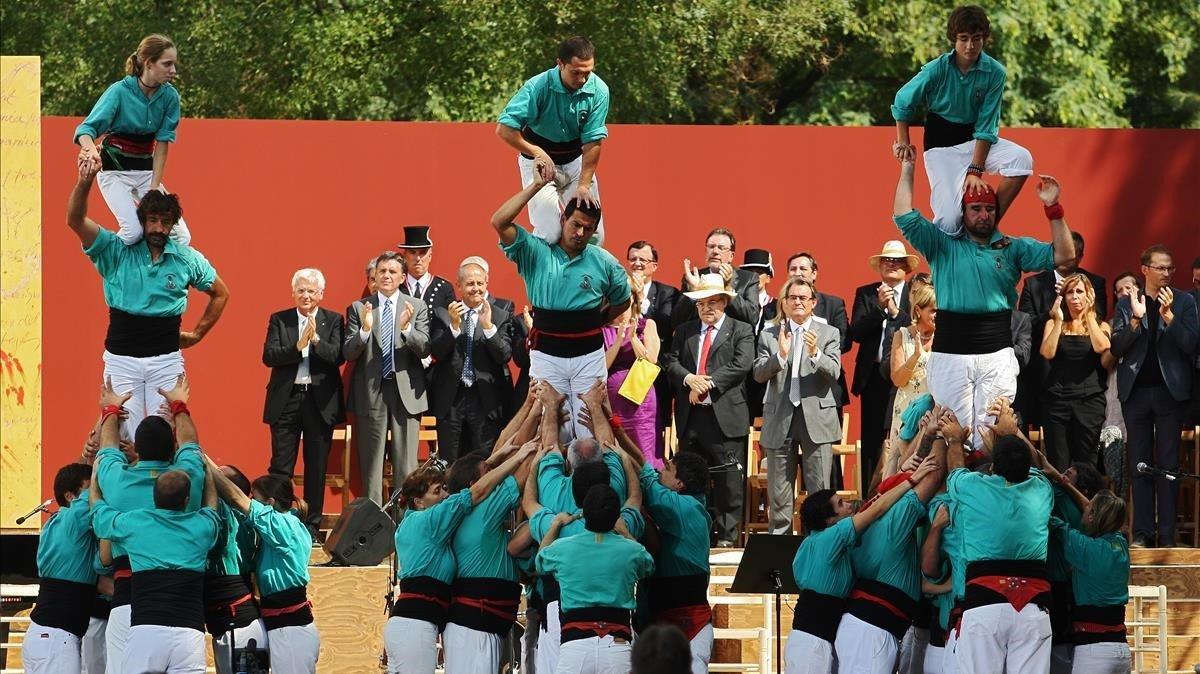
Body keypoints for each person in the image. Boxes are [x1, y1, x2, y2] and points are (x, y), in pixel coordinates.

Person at [893, 148, 1073, 451]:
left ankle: (991, 493)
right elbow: (902, 214)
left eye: (989, 209)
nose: (983, 215)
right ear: (963, 212)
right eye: (975, 208)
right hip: (950, 353)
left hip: (996, 353)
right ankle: (956, 492)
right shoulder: (942, 244)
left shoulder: (1012, 247)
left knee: (994, 433)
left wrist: (1053, 208)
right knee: (953, 433)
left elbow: (1066, 255)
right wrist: (908, 167)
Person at [68, 160, 229, 440]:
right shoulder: (116, 250)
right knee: (120, 434)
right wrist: (85, 180)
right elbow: (75, 220)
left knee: (165, 436)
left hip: (166, 359)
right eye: (152, 220)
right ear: (141, 220)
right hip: (121, 359)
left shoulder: (186, 258)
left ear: (172, 225)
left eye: (165, 222)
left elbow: (220, 292)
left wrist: (199, 333)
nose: (158, 228)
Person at [490, 169, 630, 441]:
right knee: (549, 428)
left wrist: (597, 321)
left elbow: (622, 300)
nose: (580, 233)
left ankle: (591, 483)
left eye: (588, 229)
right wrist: (536, 186)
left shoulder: (605, 262)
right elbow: (499, 221)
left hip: (588, 356)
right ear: (563, 217)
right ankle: (550, 482)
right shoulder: (534, 251)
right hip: (546, 355)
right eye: (575, 224)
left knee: (591, 429)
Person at [90, 384, 221, 674]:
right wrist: (179, 406)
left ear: (136, 448)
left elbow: (107, 450)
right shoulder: (189, 476)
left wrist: (111, 409)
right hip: (187, 623)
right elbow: (191, 446)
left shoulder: (119, 483)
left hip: (130, 606)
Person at [384, 441, 537, 674]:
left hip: (405, 626)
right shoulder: (430, 521)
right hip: (416, 628)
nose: (446, 495)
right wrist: (518, 457)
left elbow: (473, 481)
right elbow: (475, 491)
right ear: (418, 502)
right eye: (437, 491)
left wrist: (497, 458)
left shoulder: (411, 523)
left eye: (444, 488)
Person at [787, 458, 940, 674]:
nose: (848, 504)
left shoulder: (807, 546)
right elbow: (875, 509)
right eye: (840, 504)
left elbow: (872, 502)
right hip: (815, 643)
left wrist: (901, 472)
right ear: (830, 521)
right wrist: (912, 479)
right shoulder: (832, 538)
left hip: (806, 638)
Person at [891, 5, 1033, 233]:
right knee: (948, 221)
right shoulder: (937, 68)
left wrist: (975, 170)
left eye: (976, 39)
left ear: (984, 38)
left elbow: (987, 125)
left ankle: (985, 231)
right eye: (963, 39)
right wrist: (903, 141)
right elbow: (902, 101)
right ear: (953, 39)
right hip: (941, 148)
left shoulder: (995, 72)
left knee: (1021, 160)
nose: (970, 46)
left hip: (975, 142)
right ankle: (950, 258)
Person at [942, 411, 1054, 673]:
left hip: (984, 605)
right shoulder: (1042, 488)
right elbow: (1037, 464)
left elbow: (955, 468)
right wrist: (1011, 433)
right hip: (1033, 608)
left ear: (993, 466)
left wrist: (955, 440)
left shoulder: (972, 487)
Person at [1110, 245, 1198, 547]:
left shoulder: (1184, 301)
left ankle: (1167, 534)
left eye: (1170, 268)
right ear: (1144, 269)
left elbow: (1190, 346)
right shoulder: (1127, 304)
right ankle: (1143, 535)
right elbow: (1117, 348)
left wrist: (1170, 317)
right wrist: (1135, 320)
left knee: (1170, 465)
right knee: (1140, 465)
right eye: (1160, 267)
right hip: (1135, 394)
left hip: (1170, 394)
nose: (1166, 273)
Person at [74, 34, 191, 246]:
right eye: (167, 64)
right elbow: (86, 130)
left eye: (174, 64)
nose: (173, 71)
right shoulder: (119, 92)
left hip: (146, 173)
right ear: (148, 63)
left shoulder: (170, 97)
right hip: (114, 172)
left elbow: (162, 144)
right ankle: (114, 262)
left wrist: (154, 188)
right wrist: (91, 150)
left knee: (181, 236)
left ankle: (157, 277)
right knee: (134, 232)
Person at [834, 449, 944, 674]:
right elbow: (934, 473)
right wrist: (945, 437)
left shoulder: (853, 534)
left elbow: (881, 497)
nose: (847, 503)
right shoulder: (895, 520)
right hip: (871, 634)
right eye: (839, 503)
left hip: (866, 629)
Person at [207, 459, 321, 673]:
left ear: (269, 502)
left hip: (291, 630)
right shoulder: (276, 526)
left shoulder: (284, 525)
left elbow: (235, 496)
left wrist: (200, 458)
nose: (251, 502)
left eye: (255, 499)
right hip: (280, 627)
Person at [666, 274, 756, 547]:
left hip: (725, 416)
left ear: (725, 302)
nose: (707, 308)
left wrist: (705, 383)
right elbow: (670, 361)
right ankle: (695, 533)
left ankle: (728, 537)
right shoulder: (685, 331)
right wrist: (688, 378)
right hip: (691, 416)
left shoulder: (741, 329)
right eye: (701, 303)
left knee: (729, 480)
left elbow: (741, 365)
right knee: (690, 478)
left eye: (713, 302)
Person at [497, 36, 609, 244]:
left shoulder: (599, 91)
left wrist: (583, 185)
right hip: (537, 161)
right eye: (576, 73)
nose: (583, 80)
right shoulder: (538, 87)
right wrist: (537, 152)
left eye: (588, 73)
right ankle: (548, 274)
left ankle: (583, 277)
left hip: (575, 163)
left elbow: (593, 142)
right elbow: (504, 129)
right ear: (560, 64)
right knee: (550, 233)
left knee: (594, 236)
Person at [753, 278, 843, 533]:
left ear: (813, 303)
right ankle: (779, 550)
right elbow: (758, 374)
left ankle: (820, 547)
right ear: (784, 302)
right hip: (780, 418)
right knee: (779, 493)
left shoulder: (828, 334)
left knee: (820, 492)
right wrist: (780, 355)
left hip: (817, 419)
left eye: (804, 298)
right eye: (793, 297)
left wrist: (816, 353)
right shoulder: (770, 334)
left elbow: (835, 372)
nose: (798, 302)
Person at [536, 484, 656, 674]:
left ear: (583, 513)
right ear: (616, 517)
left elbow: (540, 560)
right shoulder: (632, 551)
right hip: (618, 647)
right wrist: (624, 531)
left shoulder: (561, 549)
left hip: (575, 648)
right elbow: (648, 565)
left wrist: (556, 524)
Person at [262, 268, 346, 537]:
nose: (306, 295)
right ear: (293, 293)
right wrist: (298, 346)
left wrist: (316, 340)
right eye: (301, 290)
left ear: (321, 294)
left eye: (311, 291)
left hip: (319, 401)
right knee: (281, 466)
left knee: (316, 466)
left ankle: (311, 527)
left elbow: (338, 357)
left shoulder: (333, 320)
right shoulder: (280, 319)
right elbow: (269, 356)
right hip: (287, 399)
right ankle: (279, 521)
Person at [344, 251, 431, 504]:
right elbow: (348, 352)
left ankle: (405, 525)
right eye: (382, 271)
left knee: (406, 467)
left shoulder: (416, 307)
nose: (386, 276)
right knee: (371, 468)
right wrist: (364, 331)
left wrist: (406, 328)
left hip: (406, 394)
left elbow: (425, 347)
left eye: (392, 272)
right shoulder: (360, 308)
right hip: (372, 393)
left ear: (403, 277)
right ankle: (373, 530)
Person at [443, 445, 537, 673]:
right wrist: (536, 449)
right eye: (489, 473)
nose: (496, 476)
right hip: (475, 629)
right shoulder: (483, 510)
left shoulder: (464, 512)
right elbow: (521, 476)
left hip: (479, 626)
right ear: (475, 485)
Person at [1040, 460, 1131, 674]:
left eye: (1090, 507)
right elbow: (1100, 513)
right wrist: (1062, 480)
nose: (1085, 504)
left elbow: (1047, 518)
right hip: (1122, 650)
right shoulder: (1122, 544)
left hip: (1093, 651)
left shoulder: (1085, 548)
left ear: (1092, 517)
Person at [1018, 231, 1108, 428]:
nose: (1068, 258)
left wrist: (1074, 299)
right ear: (1055, 253)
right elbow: (1025, 323)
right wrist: (1052, 311)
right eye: (1064, 253)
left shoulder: (1095, 283)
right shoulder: (1034, 284)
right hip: (1045, 374)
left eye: (1074, 254)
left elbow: (1097, 320)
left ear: (1081, 256)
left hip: (1084, 375)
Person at [429, 257, 514, 461]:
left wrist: (488, 328)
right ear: (459, 285)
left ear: (486, 282)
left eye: (479, 283)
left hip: (485, 400)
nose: (475, 288)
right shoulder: (444, 314)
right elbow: (437, 352)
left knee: (484, 463)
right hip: (452, 400)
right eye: (469, 283)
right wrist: (454, 328)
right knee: (450, 464)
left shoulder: (500, 313)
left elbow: (504, 355)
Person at [849, 240, 919, 487]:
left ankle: (900, 488)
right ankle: (869, 495)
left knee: (903, 435)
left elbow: (917, 327)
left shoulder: (915, 292)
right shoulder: (866, 293)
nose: (891, 265)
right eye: (887, 260)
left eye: (897, 261)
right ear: (879, 266)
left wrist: (895, 312)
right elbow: (854, 333)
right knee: (871, 441)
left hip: (906, 376)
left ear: (906, 268)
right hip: (873, 378)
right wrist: (879, 309)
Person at [22, 463, 97, 674]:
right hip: (56, 639)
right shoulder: (73, 520)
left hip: (47, 637)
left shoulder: (55, 523)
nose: (96, 494)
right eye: (89, 489)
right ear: (70, 496)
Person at [1039, 274, 1111, 471]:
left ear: (1089, 295)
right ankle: (1062, 502)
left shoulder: (1101, 325)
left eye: (1079, 291)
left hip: (1090, 402)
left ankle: (1087, 501)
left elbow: (1101, 346)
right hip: (1057, 402)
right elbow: (1047, 352)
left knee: (1087, 464)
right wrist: (1058, 319)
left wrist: (1089, 315)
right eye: (1069, 292)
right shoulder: (1054, 324)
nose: (1074, 296)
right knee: (1058, 463)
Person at [205, 465, 266, 674]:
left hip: (239, 628)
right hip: (230, 625)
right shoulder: (241, 517)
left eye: (219, 476)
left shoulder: (228, 516)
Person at [603, 273, 662, 467]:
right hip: (612, 399)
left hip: (641, 399)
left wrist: (634, 338)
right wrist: (618, 340)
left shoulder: (647, 325)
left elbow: (651, 360)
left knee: (643, 448)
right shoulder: (602, 329)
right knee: (616, 451)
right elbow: (600, 367)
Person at [627, 240, 680, 455]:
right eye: (633, 259)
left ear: (654, 265)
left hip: (654, 372)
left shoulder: (668, 293)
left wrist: (641, 300)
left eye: (643, 259)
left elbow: (665, 326)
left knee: (653, 429)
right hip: (623, 367)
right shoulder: (619, 291)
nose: (637, 263)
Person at [885, 282, 936, 478]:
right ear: (918, 310)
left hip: (933, 410)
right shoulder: (902, 335)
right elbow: (897, 379)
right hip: (906, 408)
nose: (937, 315)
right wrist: (915, 356)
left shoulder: (945, 336)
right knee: (901, 461)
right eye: (932, 310)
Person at [672, 228, 760, 327]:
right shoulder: (693, 277)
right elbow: (676, 320)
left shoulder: (748, 279)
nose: (715, 251)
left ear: (731, 255)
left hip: (732, 339)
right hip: (698, 338)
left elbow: (753, 318)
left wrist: (728, 289)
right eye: (711, 246)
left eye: (721, 248)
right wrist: (694, 291)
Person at [399, 225, 456, 311]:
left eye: (422, 253)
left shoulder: (443, 288)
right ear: (405, 256)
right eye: (412, 252)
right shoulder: (396, 287)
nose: (418, 258)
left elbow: (451, 322)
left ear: (430, 256)